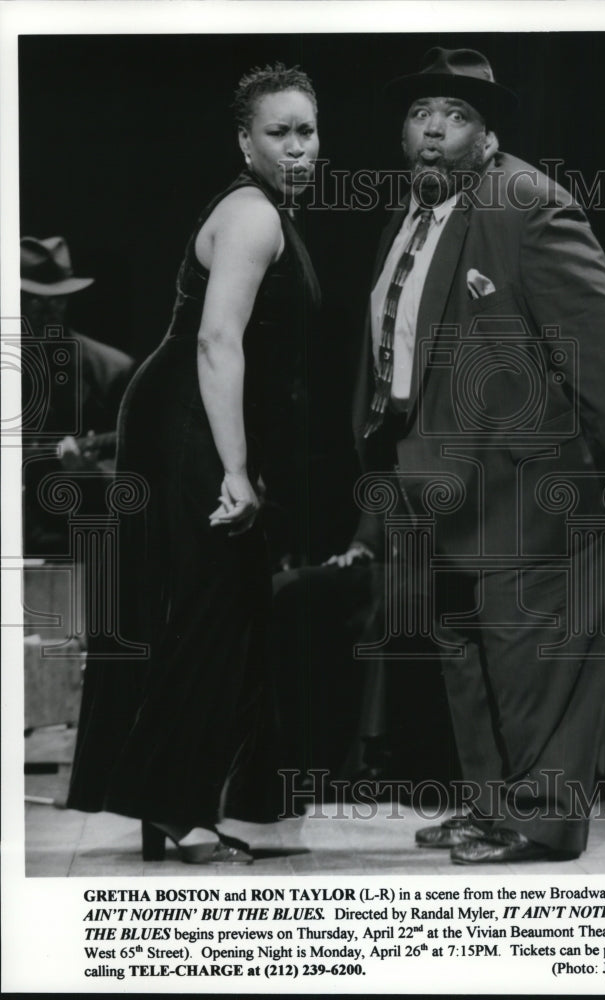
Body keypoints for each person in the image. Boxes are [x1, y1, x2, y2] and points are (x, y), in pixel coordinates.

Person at [346, 48, 605, 864]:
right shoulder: (413, 211)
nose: (432, 126)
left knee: (535, 655)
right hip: (443, 479)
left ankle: (541, 821)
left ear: (487, 130)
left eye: (455, 114)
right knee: (464, 650)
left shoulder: (525, 202)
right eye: (419, 112)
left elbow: (602, 340)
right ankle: (488, 807)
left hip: (540, 481)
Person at [66, 63, 321, 863]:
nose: (297, 148)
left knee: (224, 607)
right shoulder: (251, 215)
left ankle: (187, 805)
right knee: (207, 608)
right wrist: (235, 470)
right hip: (188, 419)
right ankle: (177, 810)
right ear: (245, 142)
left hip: (189, 413)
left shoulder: (262, 209)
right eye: (278, 133)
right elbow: (216, 341)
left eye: (307, 131)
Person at [20, 236, 135, 555]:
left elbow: (136, 464)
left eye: (56, 299)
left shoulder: (112, 370)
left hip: (80, 540)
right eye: (32, 299)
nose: (46, 310)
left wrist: (91, 474)